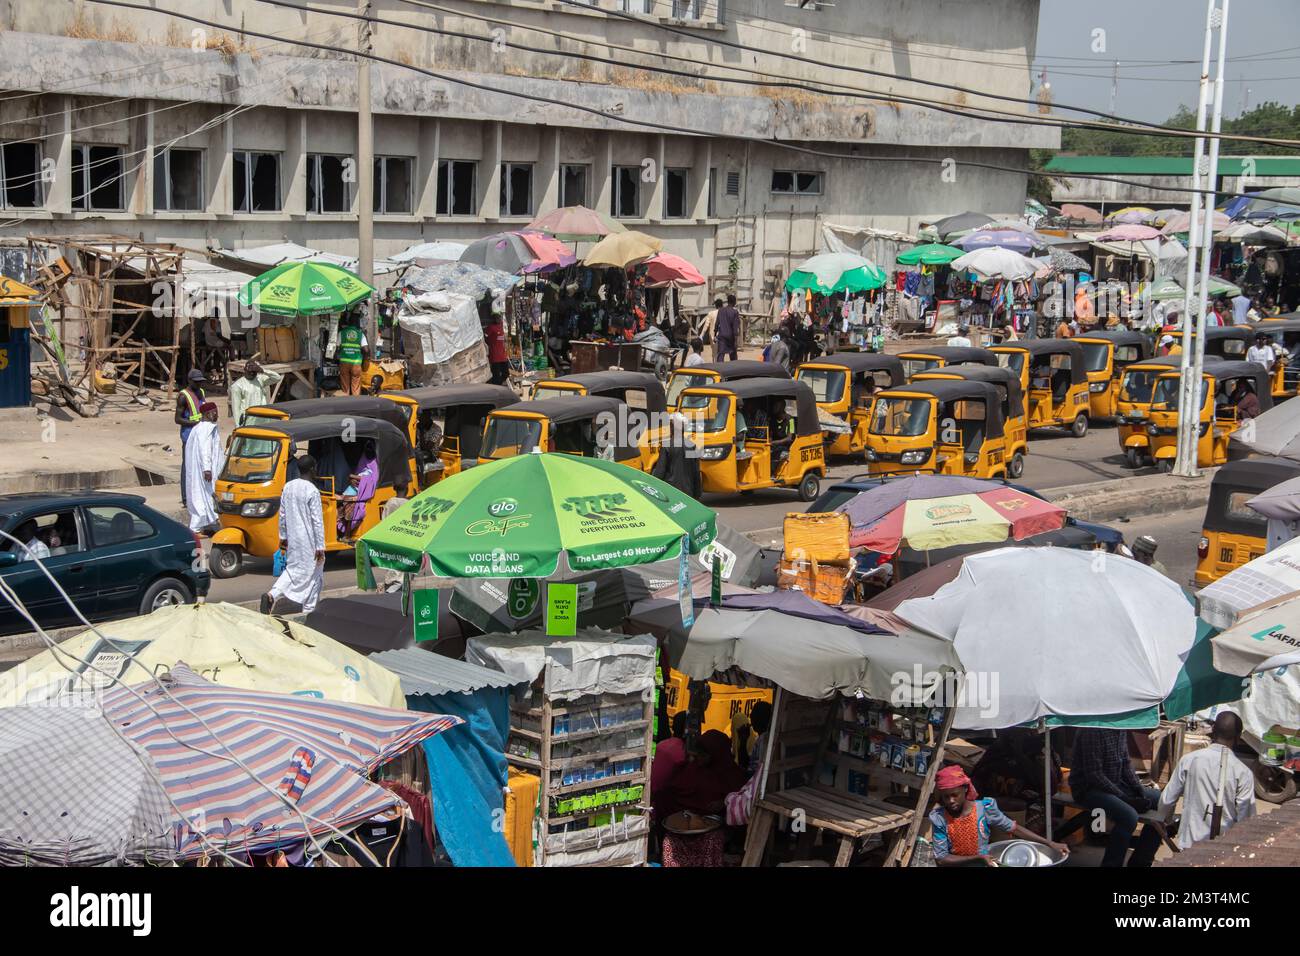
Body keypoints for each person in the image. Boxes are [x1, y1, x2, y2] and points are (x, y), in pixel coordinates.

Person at [929, 765, 1067, 866]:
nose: (950, 801)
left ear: (965, 789)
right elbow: (941, 858)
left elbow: (1014, 828)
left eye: (955, 795)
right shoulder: (940, 818)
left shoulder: (984, 809)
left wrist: (1050, 843)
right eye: (946, 797)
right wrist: (977, 858)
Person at [1157, 711, 1255, 850]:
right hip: (1223, 848)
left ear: (1213, 730)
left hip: (1189, 842)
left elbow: (1166, 800)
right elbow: (1246, 818)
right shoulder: (1243, 773)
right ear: (1238, 737)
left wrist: (1166, 820)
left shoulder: (1190, 760)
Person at [1069, 728, 1163, 867]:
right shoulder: (1092, 730)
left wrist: (1139, 790)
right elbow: (1094, 775)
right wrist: (1126, 799)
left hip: (1116, 783)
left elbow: (1125, 762)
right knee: (1129, 816)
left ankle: (1140, 862)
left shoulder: (1121, 727)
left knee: (1162, 801)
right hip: (1088, 789)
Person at [261, 454, 326, 615]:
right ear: (312, 469)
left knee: (292, 571)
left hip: (293, 539)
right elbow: (317, 521)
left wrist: (283, 536)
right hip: (309, 541)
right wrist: (320, 546)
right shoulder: (313, 491)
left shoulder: (288, 487)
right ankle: (308, 611)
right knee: (314, 575)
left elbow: (282, 514)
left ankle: (272, 594)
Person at [183, 402, 222, 535]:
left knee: (206, 495)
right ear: (207, 414)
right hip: (206, 471)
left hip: (204, 469)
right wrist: (207, 469)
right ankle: (196, 528)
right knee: (204, 495)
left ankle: (209, 524)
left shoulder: (200, 428)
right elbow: (204, 450)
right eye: (214, 412)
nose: (217, 414)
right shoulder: (205, 429)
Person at [175, 368, 207, 507]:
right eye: (197, 382)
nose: (199, 384)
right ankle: (186, 498)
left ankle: (199, 494)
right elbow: (177, 419)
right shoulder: (183, 396)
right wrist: (194, 423)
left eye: (201, 382)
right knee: (188, 466)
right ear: (190, 381)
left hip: (202, 434)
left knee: (201, 465)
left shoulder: (201, 393)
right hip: (188, 435)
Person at [338, 439, 379, 538]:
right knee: (338, 504)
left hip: (361, 494)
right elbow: (357, 474)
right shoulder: (363, 459)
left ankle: (346, 534)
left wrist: (357, 478)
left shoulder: (376, 463)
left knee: (350, 507)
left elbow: (373, 479)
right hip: (353, 489)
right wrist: (353, 478)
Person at [228, 360, 283, 427]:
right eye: (250, 371)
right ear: (244, 370)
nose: (252, 373)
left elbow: (277, 378)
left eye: (254, 372)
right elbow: (236, 408)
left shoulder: (260, 380)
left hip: (263, 417)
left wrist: (262, 370)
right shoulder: (238, 385)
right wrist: (238, 425)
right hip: (248, 419)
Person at [379, 481, 410, 591]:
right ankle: (396, 589)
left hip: (391, 540)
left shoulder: (390, 502)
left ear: (394, 489)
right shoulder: (409, 504)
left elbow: (384, 521)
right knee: (402, 569)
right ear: (407, 489)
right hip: (405, 541)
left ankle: (391, 586)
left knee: (392, 566)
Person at [337, 313, 369, 395]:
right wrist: (365, 359)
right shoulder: (360, 334)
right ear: (358, 323)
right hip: (356, 363)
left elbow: (337, 348)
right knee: (356, 386)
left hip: (344, 362)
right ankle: (355, 403)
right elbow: (366, 350)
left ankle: (345, 404)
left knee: (345, 387)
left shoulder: (342, 333)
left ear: (349, 322)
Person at [484, 308, 509, 385]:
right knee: (496, 376)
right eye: (496, 317)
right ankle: (496, 388)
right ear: (494, 318)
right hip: (494, 356)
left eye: (499, 317)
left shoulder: (502, 327)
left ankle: (498, 384)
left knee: (506, 374)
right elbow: (485, 337)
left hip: (503, 356)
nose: (498, 319)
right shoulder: (490, 328)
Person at [714, 294, 741, 361]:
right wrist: (736, 340)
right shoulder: (735, 312)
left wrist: (715, 334)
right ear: (734, 302)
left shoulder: (720, 310)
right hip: (731, 337)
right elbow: (735, 327)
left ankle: (719, 370)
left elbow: (717, 323)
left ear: (728, 301)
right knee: (733, 357)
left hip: (722, 336)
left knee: (720, 355)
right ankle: (733, 370)